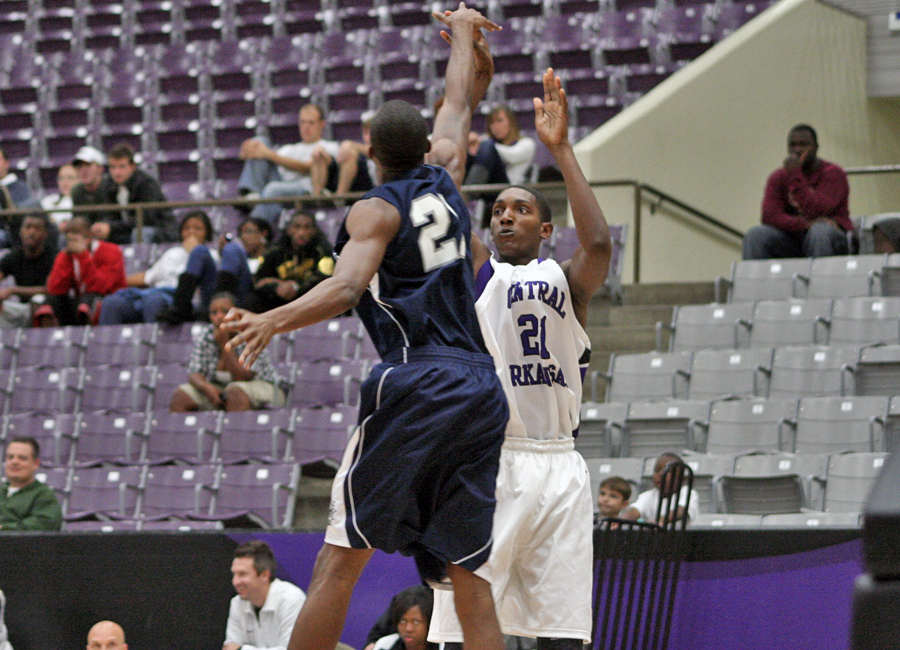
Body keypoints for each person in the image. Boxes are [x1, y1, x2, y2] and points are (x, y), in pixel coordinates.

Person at [221, 7, 507, 650]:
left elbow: (349, 287)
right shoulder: (448, 173)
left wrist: (272, 318)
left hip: (418, 378)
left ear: (372, 155)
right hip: (480, 385)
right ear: (425, 151)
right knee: (469, 574)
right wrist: (463, 32)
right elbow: (458, 100)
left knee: (340, 558)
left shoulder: (375, 209)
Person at [430, 68, 611, 650]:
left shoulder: (566, 280)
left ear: (546, 227)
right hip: (491, 461)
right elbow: (444, 186)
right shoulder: (483, 273)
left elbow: (601, 244)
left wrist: (560, 149)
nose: (506, 215)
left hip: (559, 463)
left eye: (521, 209)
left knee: (560, 634)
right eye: (500, 210)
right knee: (464, 633)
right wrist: (466, 89)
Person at [742, 124, 851, 260]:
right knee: (756, 235)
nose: (797, 150)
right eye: (792, 145)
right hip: (794, 236)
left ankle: (821, 280)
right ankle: (754, 280)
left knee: (819, 231)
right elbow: (769, 216)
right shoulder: (778, 177)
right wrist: (804, 224)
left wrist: (795, 175)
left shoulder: (833, 173)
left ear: (816, 147)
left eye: (803, 144)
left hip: (831, 238)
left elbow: (817, 210)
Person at [169, 292, 287, 412]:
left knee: (235, 392)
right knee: (181, 395)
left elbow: (243, 377)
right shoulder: (206, 335)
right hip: (225, 388)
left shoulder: (249, 333)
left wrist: (224, 344)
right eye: (214, 313)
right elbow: (194, 374)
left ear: (237, 314)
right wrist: (207, 388)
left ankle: (236, 430)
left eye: (225, 311)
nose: (219, 316)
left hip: (265, 386)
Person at [98, 210, 218, 325]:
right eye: (187, 228)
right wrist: (114, 282)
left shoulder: (211, 255)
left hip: (179, 302)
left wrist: (193, 250)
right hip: (155, 293)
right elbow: (148, 277)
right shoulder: (172, 253)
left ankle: (156, 344)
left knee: (153, 301)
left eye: (198, 228)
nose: (191, 232)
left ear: (207, 232)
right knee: (111, 302)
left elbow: (207, 286)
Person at [157, 216, 274, 324]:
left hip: (243, 301)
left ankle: (223, 306)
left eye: (248, 231)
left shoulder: (271, 256)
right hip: (216, 295)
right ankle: (180, 309)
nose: (243, 236)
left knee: (232, 247)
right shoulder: (231, 255)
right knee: (199, 250)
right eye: (241, 233)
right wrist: (222, 255)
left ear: (263, 234)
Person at [237, 104, 340, 226]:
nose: (306, 127)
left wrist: (269, 154)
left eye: (311, 123)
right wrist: (248, 151)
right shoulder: (289, 149)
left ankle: (254, 227)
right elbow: (257, 156)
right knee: (260, 141)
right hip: (281, 182)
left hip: (304, 188)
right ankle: (251, 193)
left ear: (322, 124)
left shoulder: (329, 146)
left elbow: (306, 167)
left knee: (273, 189)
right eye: (303, 122)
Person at [243, 211, 334, 314]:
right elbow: (259, 281)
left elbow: (325, 279)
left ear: (314, 230)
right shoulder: (276, 251)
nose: (301, 233)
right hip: (279, 300)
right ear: (289, 230)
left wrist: (296, 287)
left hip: (310, 300)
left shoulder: (323, 251)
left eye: (307, 228)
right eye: (297, 227)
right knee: (251, 300)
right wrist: (277, 286)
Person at [224, 540, 307, 650]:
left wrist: (241, 649)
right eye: (234, 574)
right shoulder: (237, 602)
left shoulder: (292, 599)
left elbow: (294, 649)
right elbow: (229, 648)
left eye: (242, 574)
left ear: (264, 575)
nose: (235, 581)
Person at [44, 215, 126, 326]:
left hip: (109, 300)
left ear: (89, 234)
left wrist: (83, 256)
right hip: (82, 300)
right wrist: (64, 258)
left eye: (77, 232)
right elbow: (55, 289)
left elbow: (101, 287)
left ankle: (89, 337)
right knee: (49, 303)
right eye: (68, 233)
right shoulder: (67, 255)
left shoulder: (111, 251)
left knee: (89, 302)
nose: (72, 237)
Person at [103, 142, 178, 245]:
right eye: (113, 167)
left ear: (132, 166)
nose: (117, 172)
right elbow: (109, 215)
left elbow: (146, 219)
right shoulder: (108, 185)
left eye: (122, 167)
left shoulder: (146, 183)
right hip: (127, 231)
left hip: (159, 231)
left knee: (141, 233)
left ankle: (141, 261)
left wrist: (111, 227)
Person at [0, 214, 57, 327]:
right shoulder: (14, 256)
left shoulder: (53, 257)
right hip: (20, 309)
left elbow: (48, 289)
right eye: (28, 227)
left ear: (45, 233)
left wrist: (13, 290)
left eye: (37, 228)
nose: (31, 232)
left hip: (44, 307)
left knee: (39, 301)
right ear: (21, 232)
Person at [0, 436, 63, 531]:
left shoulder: (43, 495)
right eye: (10, 457)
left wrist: (4, 528)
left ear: (36, 463)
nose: (14, 462)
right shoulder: (1, 491)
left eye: (22, 458)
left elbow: (44, 525)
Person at [620, 452, 699, 526]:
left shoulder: (687, 493)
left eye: (668, 471)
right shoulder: (647, 496)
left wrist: (660, 520)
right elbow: (634, 511)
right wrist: (622, 521)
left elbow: (681, 511)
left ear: (682, 479)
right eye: (657, 470)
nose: (661, 474)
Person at [373, 587, 438, 650]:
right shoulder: (385, 646)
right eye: (403, 621)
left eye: (416, 622)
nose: (408, 629)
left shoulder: (443, 647)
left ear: (429, 623)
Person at [70, 146, 118, 230]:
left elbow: (117, 218)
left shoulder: (112, 187)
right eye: (80, 166)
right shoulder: (76, 191)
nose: (83, 170)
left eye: (88, 165)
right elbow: (78, 218)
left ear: (100, 168)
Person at [334, 110, 378, 199]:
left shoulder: (388, 148)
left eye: (371, 130)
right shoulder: (357, 153)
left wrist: (350, 144)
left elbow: (375, 153)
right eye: (366, 131)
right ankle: (338, 199)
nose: (369, 135)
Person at [40, 163, 79, 232]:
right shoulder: (48, 200)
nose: (65, 182)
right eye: (61, 178)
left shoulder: (82, 201)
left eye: (70, 178)